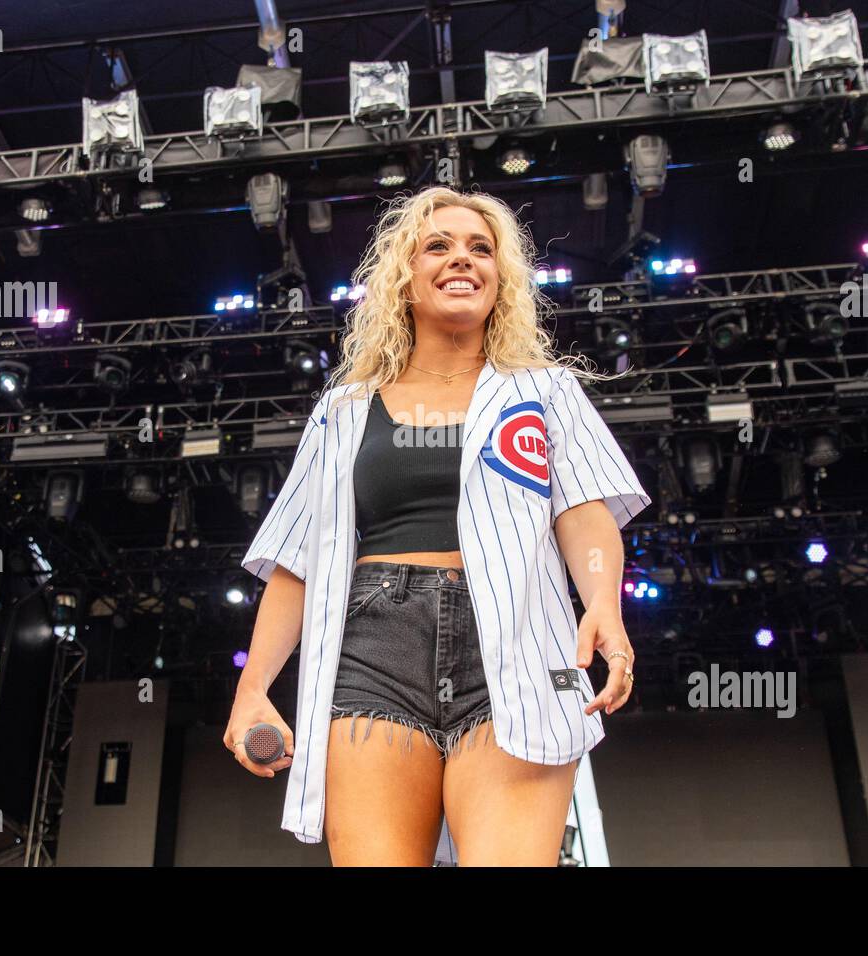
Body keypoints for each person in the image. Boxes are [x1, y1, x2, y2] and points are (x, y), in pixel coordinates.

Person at [225, 185, 651, 865]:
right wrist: (252, 691)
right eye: (439, 246)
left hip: (518, 644)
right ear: (404, 278)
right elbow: (295, 558)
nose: (463, 258)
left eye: (481, 248)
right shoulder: (344, 409)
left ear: (500, 278)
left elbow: (584, 509)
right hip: (373, 654)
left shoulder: (545, 391)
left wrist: (603, 602)